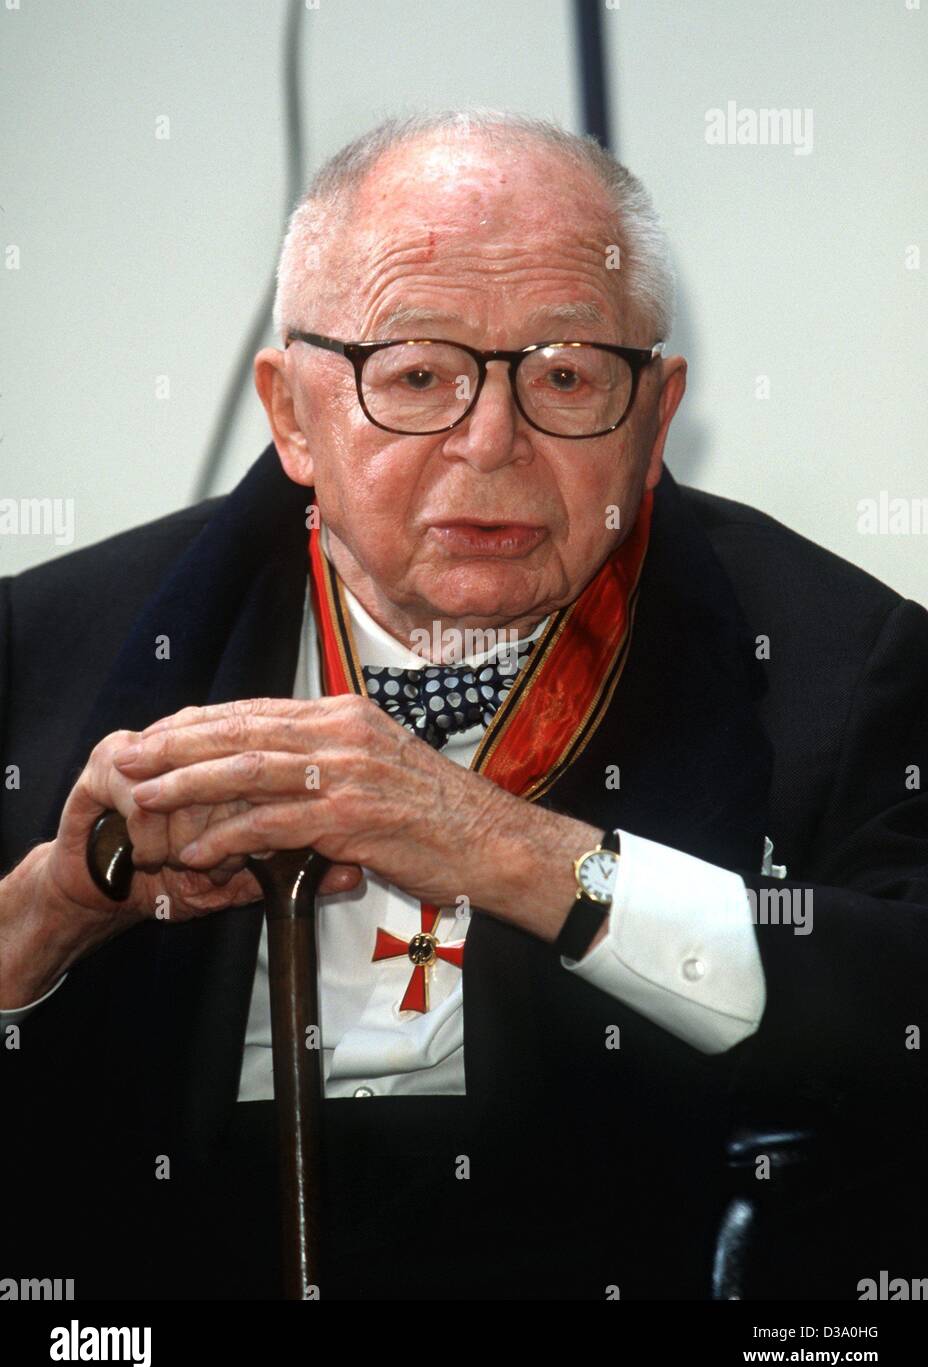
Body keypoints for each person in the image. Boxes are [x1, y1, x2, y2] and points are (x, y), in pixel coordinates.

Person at [1, 110, 926, 1302]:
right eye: (419, 375)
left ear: (652, 419)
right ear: (291, 412)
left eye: (566, 376)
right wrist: (49, 911)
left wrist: (510, 853)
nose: (491, 442)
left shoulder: (843, 664)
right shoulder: (44, 650)